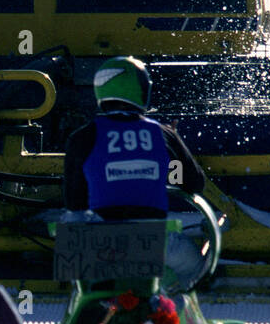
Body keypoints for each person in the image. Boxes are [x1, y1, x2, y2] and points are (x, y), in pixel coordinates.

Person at [64, 56, 206, 218]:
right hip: (153, 236)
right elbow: (193, 183)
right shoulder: (162, 134)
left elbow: (74, 203)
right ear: (142, 89)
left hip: (101, 236)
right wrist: (171, 151)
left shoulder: (82, 137)